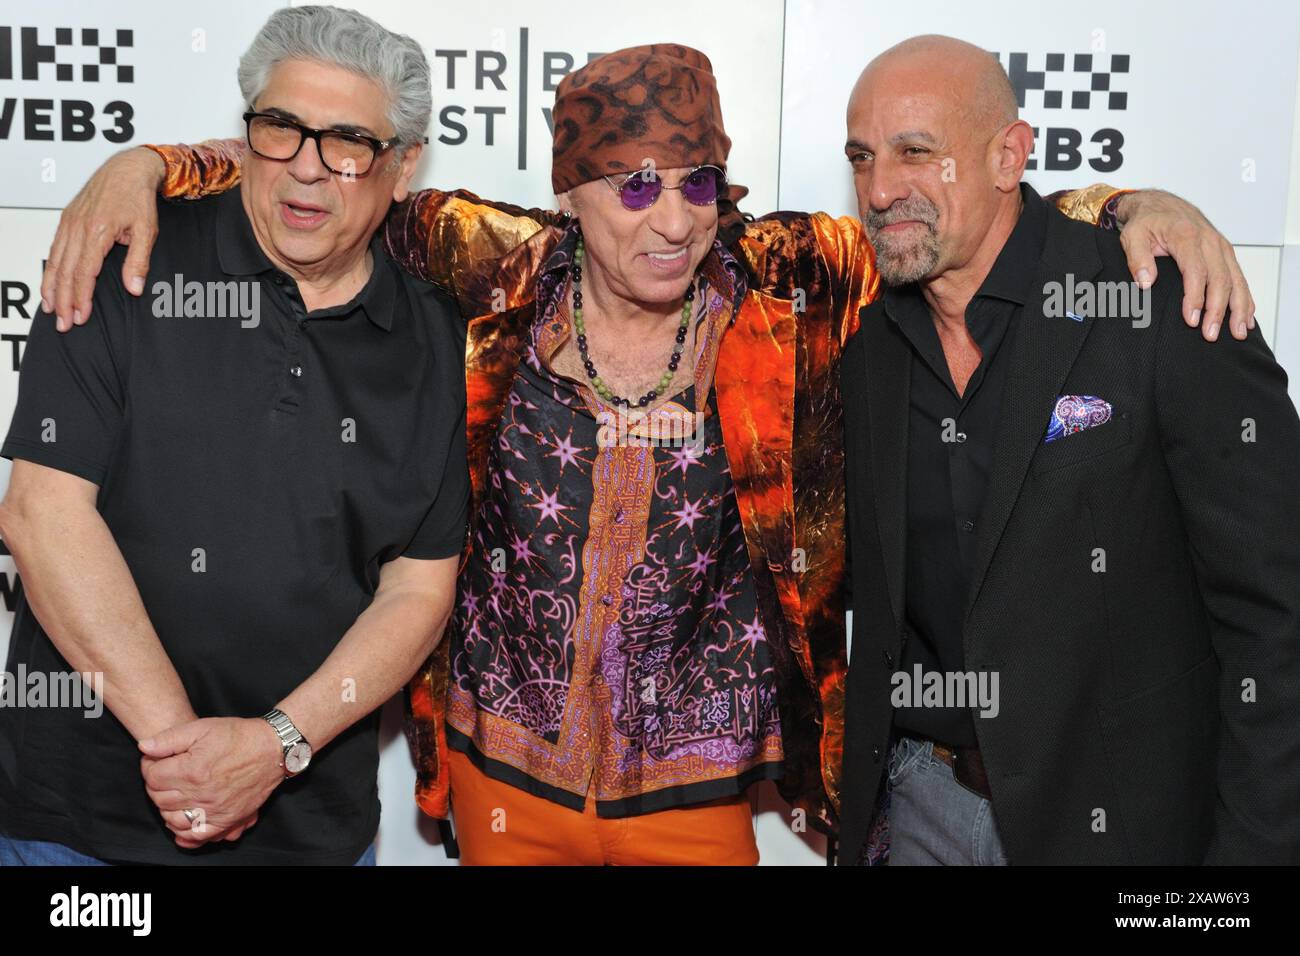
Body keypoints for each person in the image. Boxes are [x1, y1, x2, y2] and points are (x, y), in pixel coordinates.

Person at [33, 32, 1254, 864]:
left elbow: (955, 210)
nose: (672, 220)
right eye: (632, 187)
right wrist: (141, 167)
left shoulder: (788, 278)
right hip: (504, 774)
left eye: (698, 182)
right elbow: (316, 170)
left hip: (702, 788)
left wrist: (1139, 207)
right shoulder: (489, 261)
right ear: (569, 194)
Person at [0, 5, 468, 865]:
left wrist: (275, 745)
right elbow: (42, 516)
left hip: (312, 831)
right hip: (78, 827)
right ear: (246, 133)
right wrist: (189, 757)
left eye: (349, 144)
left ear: (401, 167)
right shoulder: (121, 262)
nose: (308, 171)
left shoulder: (438, 337)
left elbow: (418, 589)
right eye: (281, 129)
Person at [837, 34, 1300, 865]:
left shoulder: (1161, 303)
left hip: (1122, 827)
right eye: (862, 157)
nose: (879, 188)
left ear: (1009, 155)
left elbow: (1277, 612)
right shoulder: (865, 345)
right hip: (919, 812)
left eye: (916, 153)